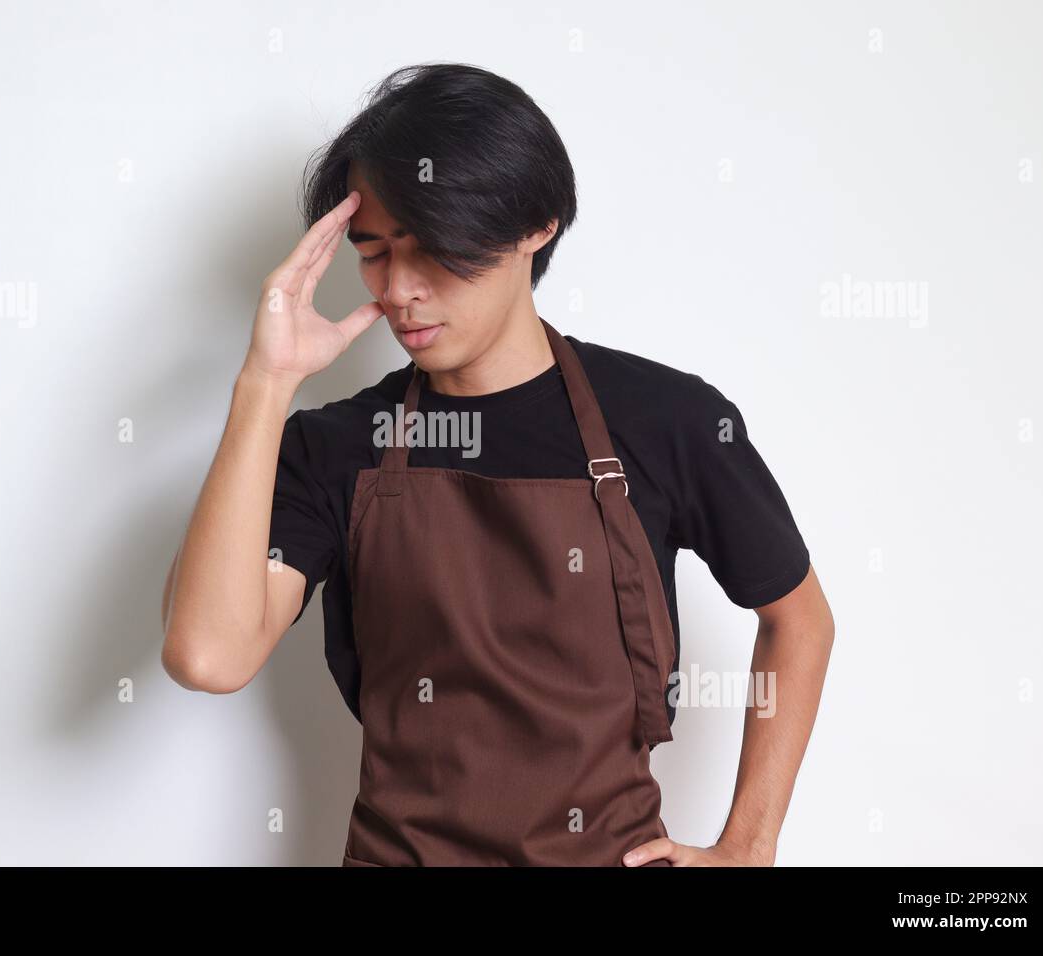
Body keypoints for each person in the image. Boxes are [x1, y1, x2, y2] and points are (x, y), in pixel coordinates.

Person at [160, 63, 835, 867]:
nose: (399, 290)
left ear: (534, 227)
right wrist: (265, 383)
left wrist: (747, 848)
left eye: (433, 249)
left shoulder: (669, 420)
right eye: (372, 253)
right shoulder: (337, 445)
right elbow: (208, 656)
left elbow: (799, 620)